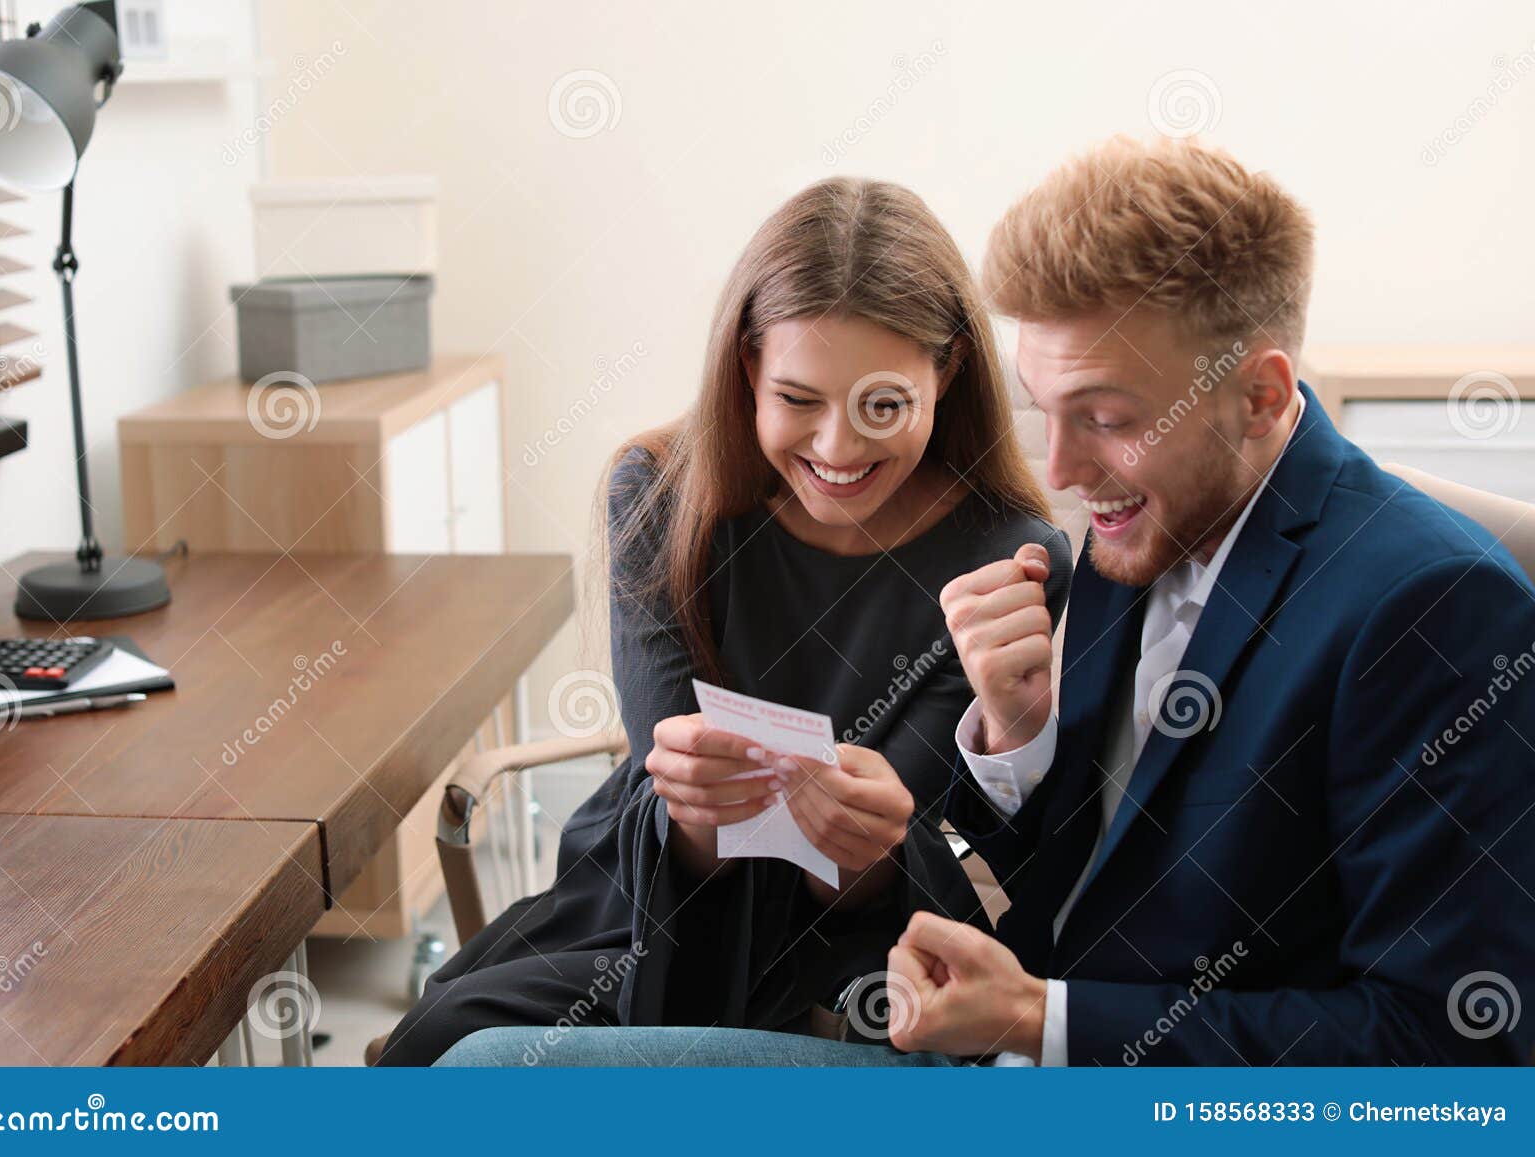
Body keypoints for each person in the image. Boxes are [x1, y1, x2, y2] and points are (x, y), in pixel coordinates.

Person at [437, 136, 1535, 1068]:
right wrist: (1011, 738)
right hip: (974, 1042)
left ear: (1258, 394)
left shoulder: (1432, 606)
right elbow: (1072, 887)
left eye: (1105, 415)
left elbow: (1460, 1056)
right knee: (465, 1050)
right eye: (1042, 410)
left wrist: (1041, 1017)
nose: (1058, 467)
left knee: (485, 1073)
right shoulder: (1130, 536)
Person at [379, 177, 1071, 1065]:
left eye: (884, 405)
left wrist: (863, 839)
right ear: (746, 366)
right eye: (797, 399)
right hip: (649, 905)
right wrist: (703, 808)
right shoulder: (660, 497)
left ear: (948, 374)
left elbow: (907, 841)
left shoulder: (1008, 562)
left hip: (859, 938)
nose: (837, 450)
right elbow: (664, 778)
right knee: (437, 1050)